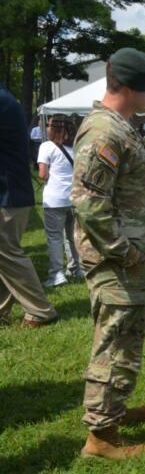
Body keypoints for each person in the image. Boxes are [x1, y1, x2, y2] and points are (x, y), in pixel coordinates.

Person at [72, 47, 145, 458]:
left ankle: (112, 411)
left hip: (126, 258)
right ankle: (101, 438)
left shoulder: (121, 125)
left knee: (122, 337)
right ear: (129, 87)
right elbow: (88, 201)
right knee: (116, 342)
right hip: (118, 262)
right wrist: (124, 251)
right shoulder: (104, 132)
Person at [0, 83, 60, 329]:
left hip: (8, 194)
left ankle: (40, 311)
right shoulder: (5, 98)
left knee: (7, 252)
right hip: (11, 192)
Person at [37, 114, 84, 287]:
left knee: (54, 238)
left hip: (55, 199)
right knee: (72, 236)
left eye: (49, 125)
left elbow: (42, 174)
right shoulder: (75, 146)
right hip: (74, 198)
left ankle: (56, 274)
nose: (47, 127)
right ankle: (76, 268)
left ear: (54, 127)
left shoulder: (46, 147)